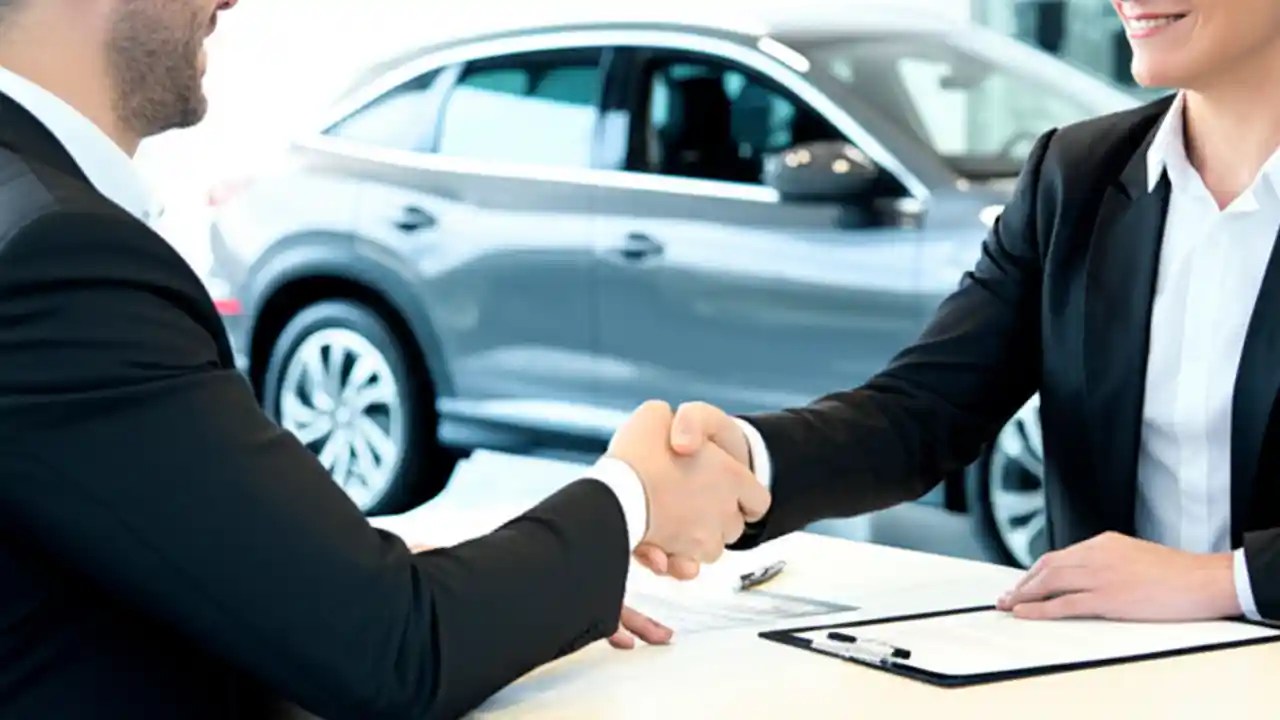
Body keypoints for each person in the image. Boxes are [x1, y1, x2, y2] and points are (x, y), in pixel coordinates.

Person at [0, 1, 769, 719]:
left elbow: (99, 524)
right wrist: (633, 496)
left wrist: (339, 560)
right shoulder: (58, 253)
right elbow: (389, 651)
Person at [639, 0, 1280, 623]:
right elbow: (926, 408)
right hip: (1114, 671)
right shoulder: (1077, 175)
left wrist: (1225, 583)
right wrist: (744, 460)